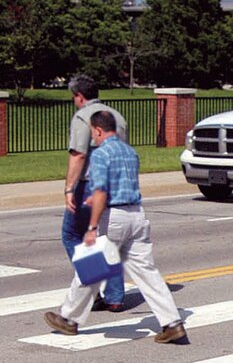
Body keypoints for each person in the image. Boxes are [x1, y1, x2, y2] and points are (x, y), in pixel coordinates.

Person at [44, 109, 188, 344]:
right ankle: (172, 323)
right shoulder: (129, 152)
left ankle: (69, 319)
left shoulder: (101, 155)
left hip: (113, 219)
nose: (94, 137)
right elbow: (121, 185)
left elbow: (101, 191)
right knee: (148, 273)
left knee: (90, 266)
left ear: (99, 130)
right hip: (137, 215)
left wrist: (91, 227)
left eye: (93, 133)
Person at [62, 74, 127, 312]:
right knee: (106, 238)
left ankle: (92, 287)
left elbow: (78, 155)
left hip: (90, 184)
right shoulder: (116, 116)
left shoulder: (83, 117)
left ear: (79, 96)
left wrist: (70, 188)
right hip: (116, 182)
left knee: (72, 235)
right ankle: (115, 296)